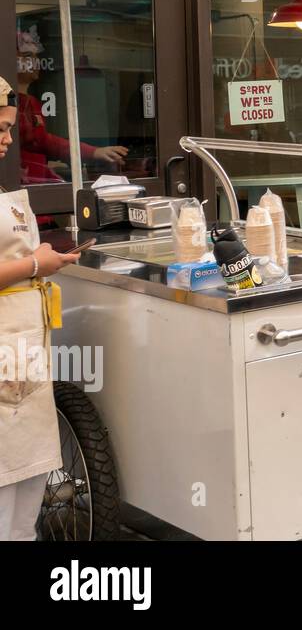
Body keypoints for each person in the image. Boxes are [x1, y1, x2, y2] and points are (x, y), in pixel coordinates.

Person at [0, 75, 84, 540]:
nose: (10, 140)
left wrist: (43, 264)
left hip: (22, 353)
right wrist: (36, 262)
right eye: (0, 129)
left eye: (10, 127)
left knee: (27, 480)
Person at [15, 29, 126, 186]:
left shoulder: (30, 101)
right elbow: (39, 141)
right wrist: (93, 152)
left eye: (36, 56)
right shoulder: (16, 104)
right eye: (27, 56)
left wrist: (50, 173)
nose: (35, 62)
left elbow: (39, 145)